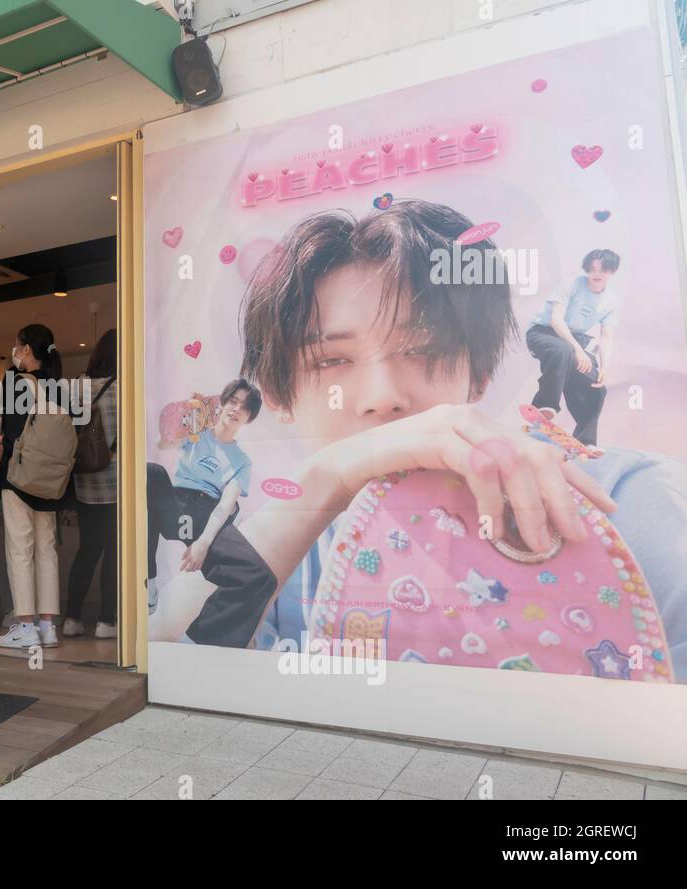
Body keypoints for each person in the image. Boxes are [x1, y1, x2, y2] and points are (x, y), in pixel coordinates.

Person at [225, 200, 686, 682]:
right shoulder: (287, 543)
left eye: (422, 349)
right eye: (330, 360)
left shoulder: (626, 498)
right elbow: (170, 662)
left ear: (480, 373)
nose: (382, 398)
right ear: (280, 393)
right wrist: (326, 479)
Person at [146, 379, 263, 647]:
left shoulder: (242, 461)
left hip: (206, 512)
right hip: (175, 505)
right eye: (233, 401)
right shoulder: (196, 432)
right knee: (150, 473)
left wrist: (203, 543)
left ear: (248, 418)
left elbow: (225, 505)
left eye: (244, 407)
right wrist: (181, 422)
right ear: (221, 404)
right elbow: (162, 443)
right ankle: (149, 581)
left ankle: (195, 639)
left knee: (256, 577)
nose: (236, 409)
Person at [0, 323, 74, 649]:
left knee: (20, 549)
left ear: (26, 350)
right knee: (46, 550)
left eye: (17, 345)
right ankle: (47, 626)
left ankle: (25, 626)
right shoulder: (60, 388)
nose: (15, 351)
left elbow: (4, 431)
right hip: (51, 482)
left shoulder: (13, 381)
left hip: (19, 477)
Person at [525, 249, 621, 448]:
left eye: (603, 270)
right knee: (564, 351)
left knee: (597, 386)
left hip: (575, 340)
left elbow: (606, 337)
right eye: (592, 269)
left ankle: (585, 440)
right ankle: (544, 405)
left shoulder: (611, 301)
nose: (597, 274)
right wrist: (577, 350)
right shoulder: (571, 285)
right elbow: (556, 320)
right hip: (544, 332)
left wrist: (604, 367)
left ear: (612, 271)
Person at [65, 329, 119, 640]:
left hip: (85, 480)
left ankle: (72, 618)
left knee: (87, 550)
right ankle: (105, 621)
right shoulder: (126, 388)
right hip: (116, 481)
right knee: (113, 551)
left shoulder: (77, 387)